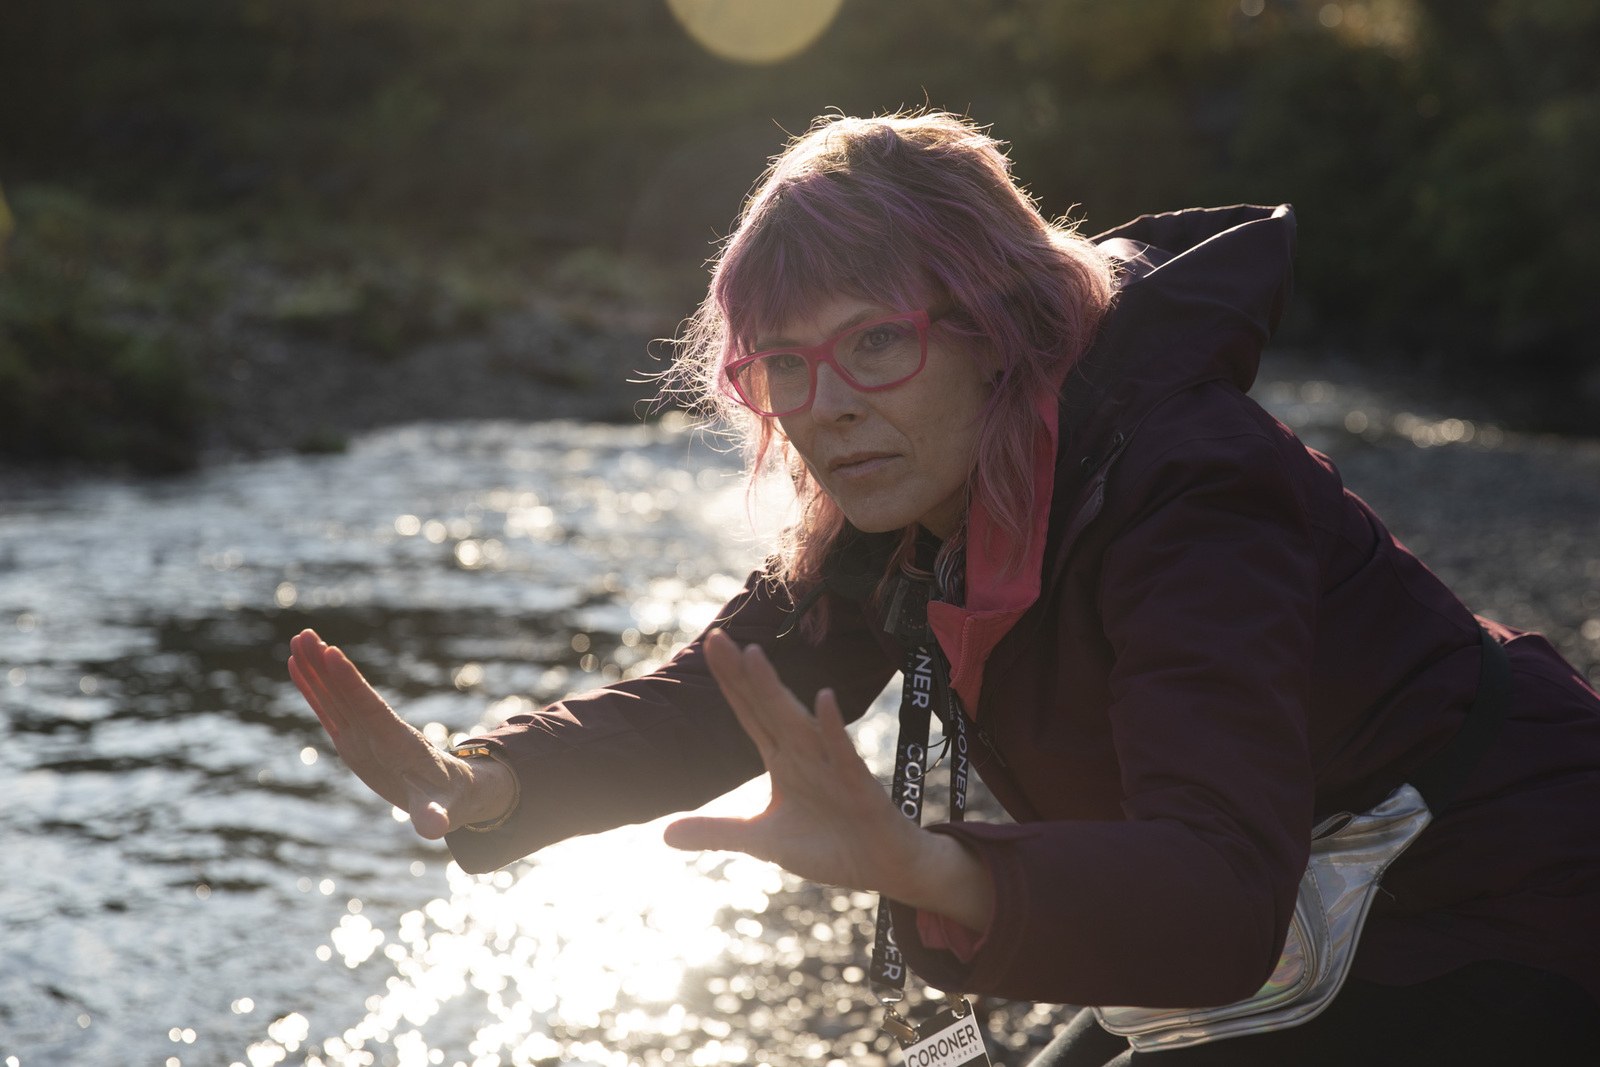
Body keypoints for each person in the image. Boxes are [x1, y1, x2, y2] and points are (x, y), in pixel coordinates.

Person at [287, 111, 1600, 1063]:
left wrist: (927, 865)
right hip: (1302, 914)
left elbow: (1218, 897)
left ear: (999, 328)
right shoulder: (901, 500)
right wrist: (489, 783)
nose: (825, 408)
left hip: (1510, 897)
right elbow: (720, 697)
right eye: (781, 368)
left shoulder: (1190, 493)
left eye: (874, 343)